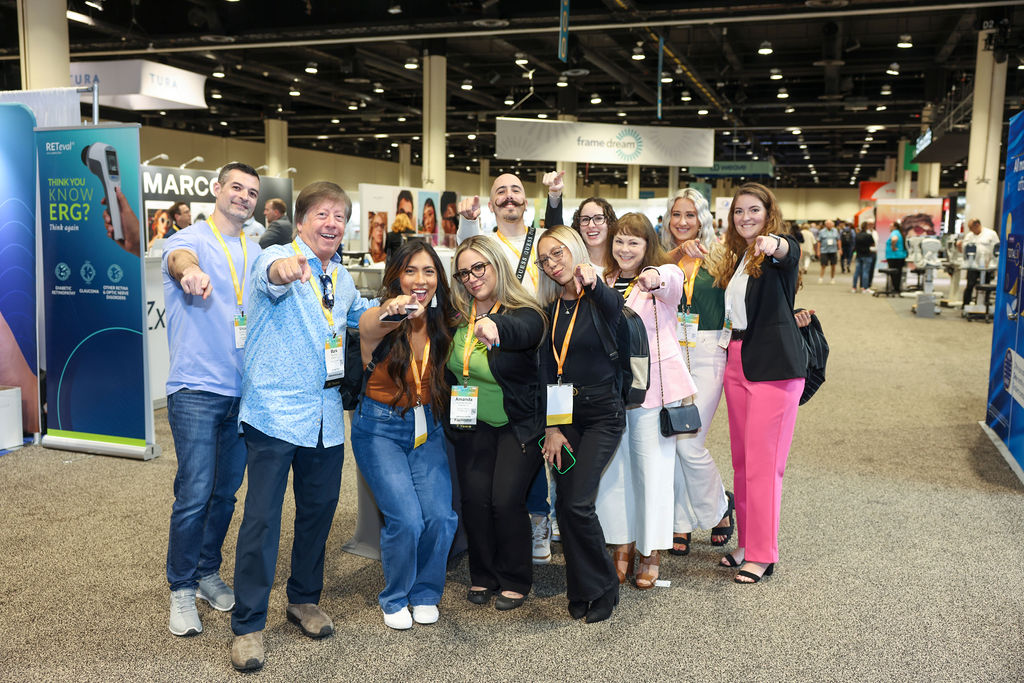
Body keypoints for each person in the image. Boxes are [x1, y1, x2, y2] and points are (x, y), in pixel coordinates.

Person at [230, 181, 374, 672]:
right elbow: (271, 276)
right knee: (262, 520)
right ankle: (248, 625)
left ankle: (303, 599)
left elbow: (359, 318)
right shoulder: (275, 257)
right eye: (322, 214)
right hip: (274, 412)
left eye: (339, 217)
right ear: (301, 220)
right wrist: (285, 268)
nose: (332, 224)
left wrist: (394, 308)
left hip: (325, 418)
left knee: (318, 513)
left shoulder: (342, 276)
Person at [161, 161, 263, 638]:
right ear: (217, 189)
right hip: (196, 389)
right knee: (194, 492)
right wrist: (191, 272)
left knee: (225, 493)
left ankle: (206, 572)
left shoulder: (256, 249)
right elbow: (178, 260)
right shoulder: (190, 239)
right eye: (236, 187)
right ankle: (181, 588)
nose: (243, 196)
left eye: (252, 192)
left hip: (243, 392)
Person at [702, 182, 806, 584]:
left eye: (754, 210)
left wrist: (773, 243)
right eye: (739, 211)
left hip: (774, 369)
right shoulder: (742, 256)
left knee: (764, 466)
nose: (745, 217)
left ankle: (763, 554)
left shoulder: (775, 251)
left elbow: (789, 251)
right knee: (743, 462)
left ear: (769, 214)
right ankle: (747, 544)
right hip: (738, 359)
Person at [351, 240, 458, 630]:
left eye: (428, 271)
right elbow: (369, 324)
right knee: (407, 520)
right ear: (396, 275)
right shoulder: (381, 318)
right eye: (410, 271)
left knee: (441, 517)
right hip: (379, 429)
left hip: (427, 425)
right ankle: (395, 596)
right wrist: (392, 310)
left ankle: (425, 592)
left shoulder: (444, 319)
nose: (420, 280)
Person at [595, 213, 696, 590]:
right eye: (619, 241)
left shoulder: (662, 275)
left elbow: (670, 278)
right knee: (615, 472)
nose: (625, 249)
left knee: (652, 471)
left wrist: (653, 275)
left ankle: (650, 551)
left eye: (633, 242)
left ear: (647, 245)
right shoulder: (605, 279)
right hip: (611, 391)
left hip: (653, 391)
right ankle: (621, 544)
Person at [445, 235, 546, 611]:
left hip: (517, 423)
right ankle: (483, 575)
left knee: (505, 500)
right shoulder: (458, 316)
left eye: (478, 268)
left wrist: (496, 327)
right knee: (474, 500)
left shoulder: (525, 311)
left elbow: (527, 331)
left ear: (497, 266)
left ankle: (515, 578)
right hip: (471, 422)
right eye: (464, 273)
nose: (472, 278)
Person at [457, 174, 553, 561]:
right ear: (491, 204)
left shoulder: (541, 240)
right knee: (516, 439)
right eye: (501, 191)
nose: (509, 197)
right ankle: (532, 517)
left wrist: (556, 199)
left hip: (543, 336)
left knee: (546, 429)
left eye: (516, 191)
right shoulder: (487, 244)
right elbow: (464, 253)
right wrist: (467, 221)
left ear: (526, 201)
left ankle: (543, 516)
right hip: (500, 347)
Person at [536, 226, 624, 623]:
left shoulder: (600, 298)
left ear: (574, 249)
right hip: (564, 416)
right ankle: (581, 587)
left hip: (603, 414)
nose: (552, 263)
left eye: (558, 253)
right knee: (565, 505)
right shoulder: (549, 309)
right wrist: (551, 428)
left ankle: (604, 585)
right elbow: (546, 372)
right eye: (544, 259)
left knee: (577, 503)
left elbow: (616, 309)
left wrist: (594, 282)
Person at [659, 188, 735, 558]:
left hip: (707, 351)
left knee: (689, 442)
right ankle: (681, 522)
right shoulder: (662, 255)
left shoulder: (720, 254)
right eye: (676, 214)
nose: (683, 222)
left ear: (702, 218)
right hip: (670, 351)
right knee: (671, 440)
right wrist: (675, 255)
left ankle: (720, 508)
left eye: (690, 215)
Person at [543, 170, 616, 275]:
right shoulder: (572, 261)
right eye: (585, 219)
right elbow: (554, 231)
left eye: (598, 218)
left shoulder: (622, 262)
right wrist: (555, 193)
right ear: (578, 225)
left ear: (609, 222)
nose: (591, 225)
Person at [960, 218, 1000, 309]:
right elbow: (964, 249)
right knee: (970, 285)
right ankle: (965, 305)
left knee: (985, 285)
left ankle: (985, 305)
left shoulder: (991, 234)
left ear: (977, 225)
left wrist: (992, 262)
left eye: (971, 228)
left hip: (987, 266)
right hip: (973, 265)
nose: (970, 230)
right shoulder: (969, 236)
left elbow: (996, 248)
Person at [852, 222, 876, 293]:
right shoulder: (868, 236)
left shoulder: (857, 235)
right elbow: (873, 244)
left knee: (857, 272)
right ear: (867, 227)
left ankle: (854, 287)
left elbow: (855, 245)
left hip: (859, 255)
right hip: (867, 255)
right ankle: (865, 288)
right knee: (865, 272)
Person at [885, 221, 907, 295]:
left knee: (894, 274)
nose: (889, 227)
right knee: (898, 273)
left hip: (894, 256)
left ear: (894, 227)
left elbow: (894, 239)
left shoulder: (894, 232)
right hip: (900, 256)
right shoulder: (899, 233)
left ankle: (895, 289)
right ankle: (897, 288)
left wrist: (893, 247)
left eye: (890, 226)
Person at [816, 219, 841, 284]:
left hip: (833, 250)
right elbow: (819, 242)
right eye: (827, 224)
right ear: (825, 225)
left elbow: (838, 240)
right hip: (824, 250)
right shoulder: (822, 231)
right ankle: (821, 278)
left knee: (833, 265)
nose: (829, 225)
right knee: (823, 265)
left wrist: (840, 249)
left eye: (830, 224)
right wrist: (818, 251)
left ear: (832, 225)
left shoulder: (835, 231)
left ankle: (832, 278)